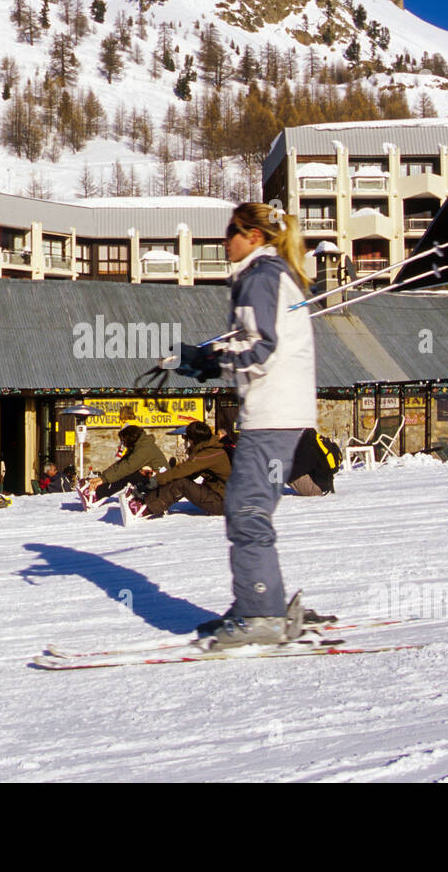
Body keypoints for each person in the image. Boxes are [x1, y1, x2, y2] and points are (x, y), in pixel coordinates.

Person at [174, 202, 316, 649]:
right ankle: (259, 603)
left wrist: (210, 364)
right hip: (277, 411)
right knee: (246, 507)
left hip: (272, 414)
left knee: (247, 509)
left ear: (254, 236)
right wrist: (203, 360)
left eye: (232, 231)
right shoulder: (268, 275)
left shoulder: (260, 277)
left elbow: (261, 347)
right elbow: (253, 344)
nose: (225, 239)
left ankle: (261, 615)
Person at [127, 422, 231, 519]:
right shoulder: (209, 449)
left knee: (181, 483)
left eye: (186, 438)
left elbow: (181, 471)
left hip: (222, 502)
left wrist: (154, 481)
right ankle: (145, 500)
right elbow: (186, 474)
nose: (186, 441)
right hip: (219, 497)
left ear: (193, 439)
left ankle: (145, 509)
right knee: (180, 480)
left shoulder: (208, 454)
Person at [77, 424, 165, 507]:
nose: (123, 444)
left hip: (159, 481)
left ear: (130, 438)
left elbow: (127, 467)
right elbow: (121, 463)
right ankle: (98, 489)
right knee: (124, 473)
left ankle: (98, 494)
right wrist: (102, 476)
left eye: (124, 441)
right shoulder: (139, 445)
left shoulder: (145, 449)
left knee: (128, 476)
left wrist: (103, 480)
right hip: (151, 476)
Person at [287, 428, 343, 496]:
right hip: (326, 486)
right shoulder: (316, 441)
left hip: (318, 489)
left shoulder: (307, 446)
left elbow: (302, 467)